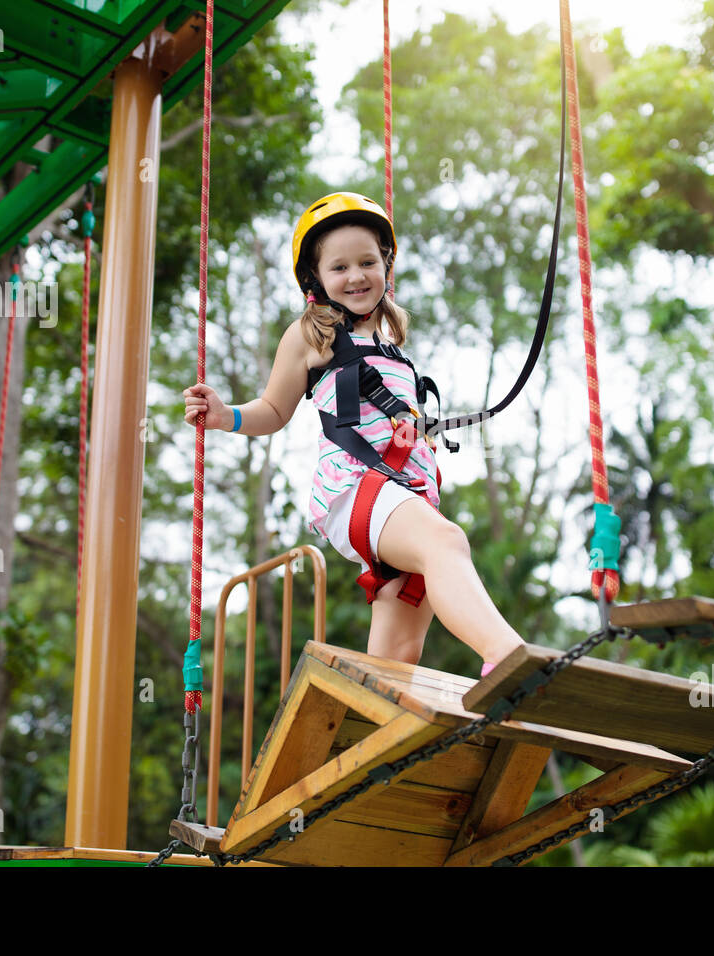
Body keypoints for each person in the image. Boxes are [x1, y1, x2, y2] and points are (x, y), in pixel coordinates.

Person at [183, 192, 523, 677]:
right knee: (446, 543)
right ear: (315, 280)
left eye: (367, 262)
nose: (356, 276)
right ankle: (509, 657)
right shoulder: (310, 335)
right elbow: (274, 408)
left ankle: (368, 743)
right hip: (355, 490)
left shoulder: (392, 346)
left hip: (406, 493)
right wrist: (226, 416)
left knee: (398, 655)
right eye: (339, 267)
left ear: (385, 265)